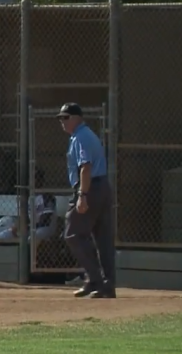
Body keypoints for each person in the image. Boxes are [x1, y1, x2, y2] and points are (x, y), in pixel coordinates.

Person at [56, 103, 115, 299]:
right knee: (102, 239)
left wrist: (82, 195)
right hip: (102, 187)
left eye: (66, 118)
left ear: (76, 118)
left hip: (90, 188)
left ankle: (96, 279)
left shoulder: (81, 137)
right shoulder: (85, 134)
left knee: (72, 234)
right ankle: (105, 284)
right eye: (61, 118)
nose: (62, 122)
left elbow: (85, 167)